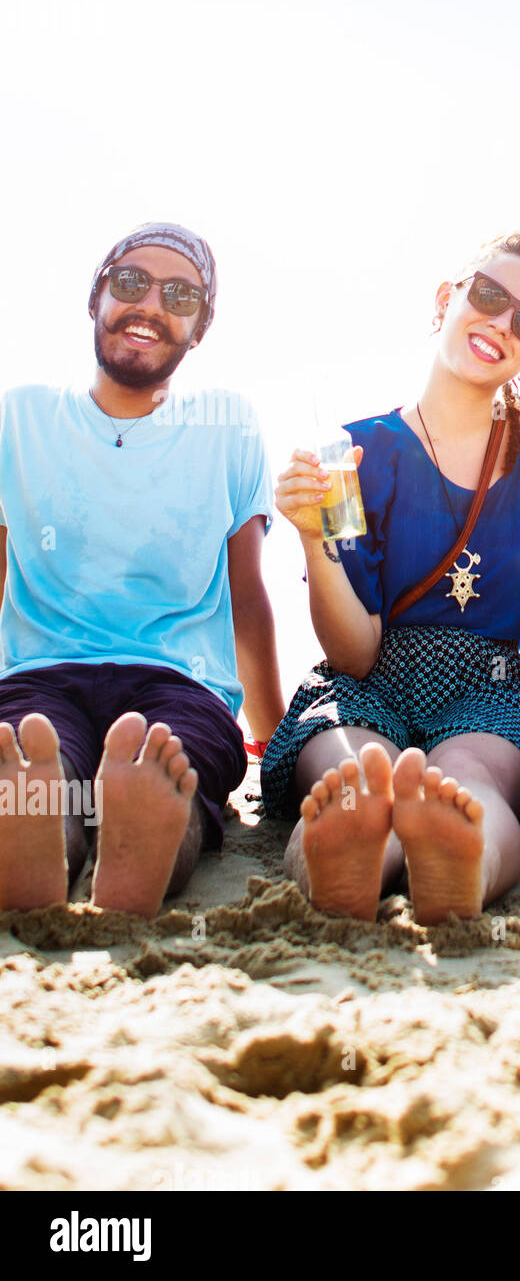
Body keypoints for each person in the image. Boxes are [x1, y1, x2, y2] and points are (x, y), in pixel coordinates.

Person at [262, 233, 520, 924]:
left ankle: (461, 866)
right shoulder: (357, 451)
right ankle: (349, 863)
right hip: (370, 675)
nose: (501, 324)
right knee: (354, 778)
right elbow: (355, 653)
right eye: (489, 296)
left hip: (486, 682)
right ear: (447, 298)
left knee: (468, 785)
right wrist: (314, 541)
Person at [0, 222, 283, 916]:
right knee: (32, 755)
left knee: (172, 760)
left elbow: (247, 598)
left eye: (179, 294)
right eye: (130, 283)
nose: (150, 305)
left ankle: (141, 838)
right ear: (95, 297)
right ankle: (38, 841)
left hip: (179, 682)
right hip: (40, 678)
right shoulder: (19, 416)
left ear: (200, 327)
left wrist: (275, 744)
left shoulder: (229, 426)